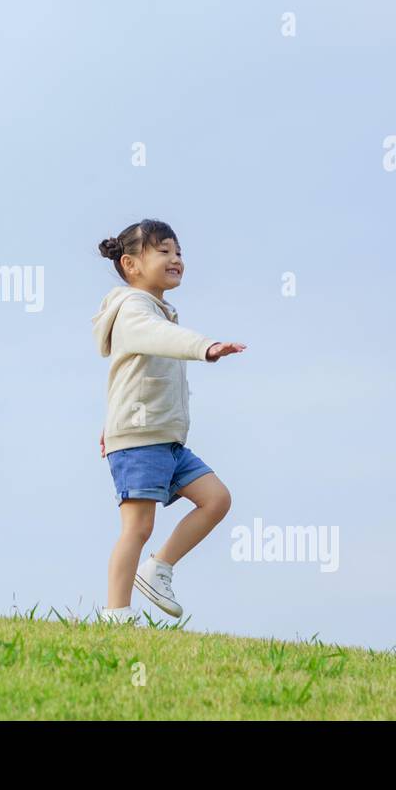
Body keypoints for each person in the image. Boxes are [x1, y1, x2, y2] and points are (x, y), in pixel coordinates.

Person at [92, 219, 246, 622]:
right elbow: (162, 339)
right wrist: (205, 347)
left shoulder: (159, 311)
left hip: (166, 438)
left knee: (216, 499)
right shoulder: (133, 309)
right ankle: (116, 614)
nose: (176, 259)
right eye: (163, 251)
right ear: (131, 264)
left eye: (178, 252)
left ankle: (157, 569)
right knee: (137, 527)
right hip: (140, 438)